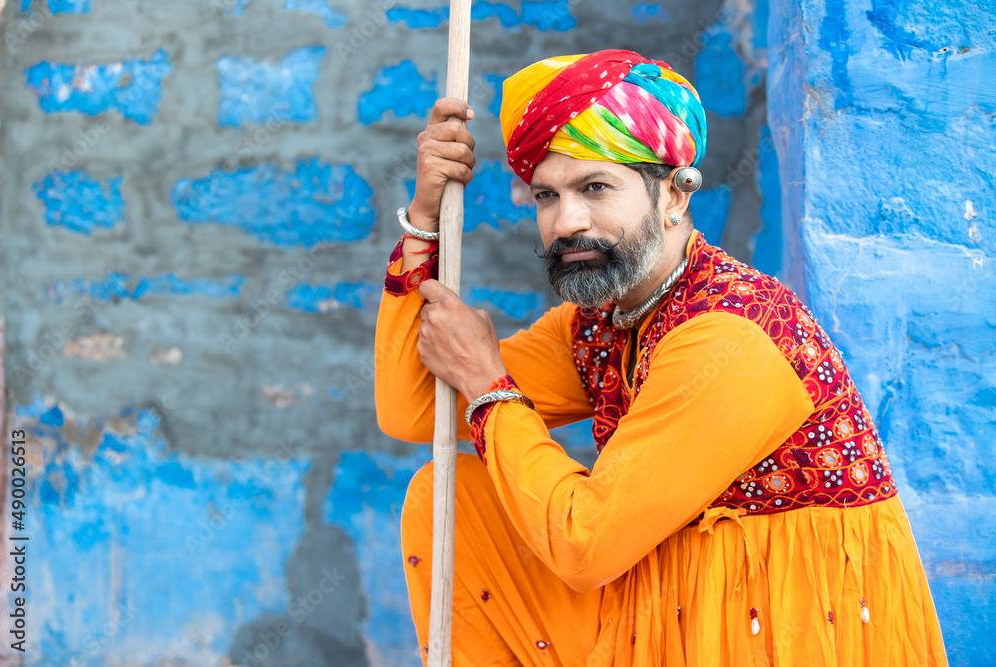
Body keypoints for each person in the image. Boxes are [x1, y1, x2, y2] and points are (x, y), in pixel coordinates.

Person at [374, 49, 946, 666]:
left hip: (787, 629)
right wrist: (426, 218)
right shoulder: (601, 322)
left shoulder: (730, 334)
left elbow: (586, 544)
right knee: (453, 494)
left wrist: (489, 383)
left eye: (595, 187)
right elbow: (413, 411)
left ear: (673, 194)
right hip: (677, 612)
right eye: (547, 195)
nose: (567, 222)